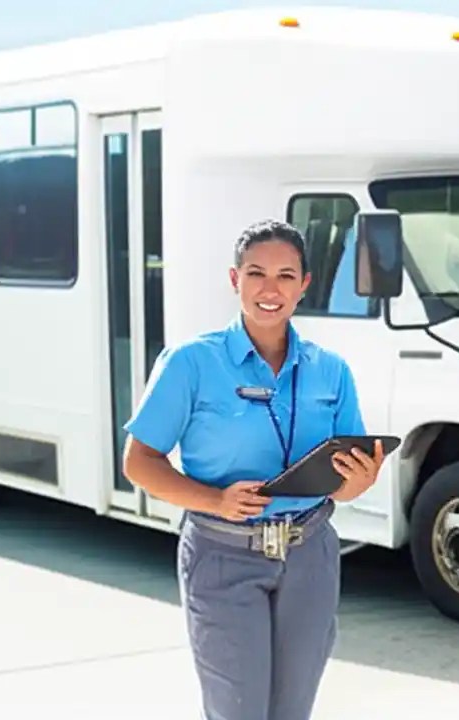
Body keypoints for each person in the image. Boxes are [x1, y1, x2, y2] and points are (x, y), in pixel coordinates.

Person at [122, 219, 387, 720]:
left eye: (287, 276)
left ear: (305, 285)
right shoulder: (190, 363)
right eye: (256, 274)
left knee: (292, 711)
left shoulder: (331, 370)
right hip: (223, 555)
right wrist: (215, 500)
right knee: (238, 711)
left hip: (310, 557)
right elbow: (138, 463)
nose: (271, 289)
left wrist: (359, 481)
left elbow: (347, 480)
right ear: (234, 279)